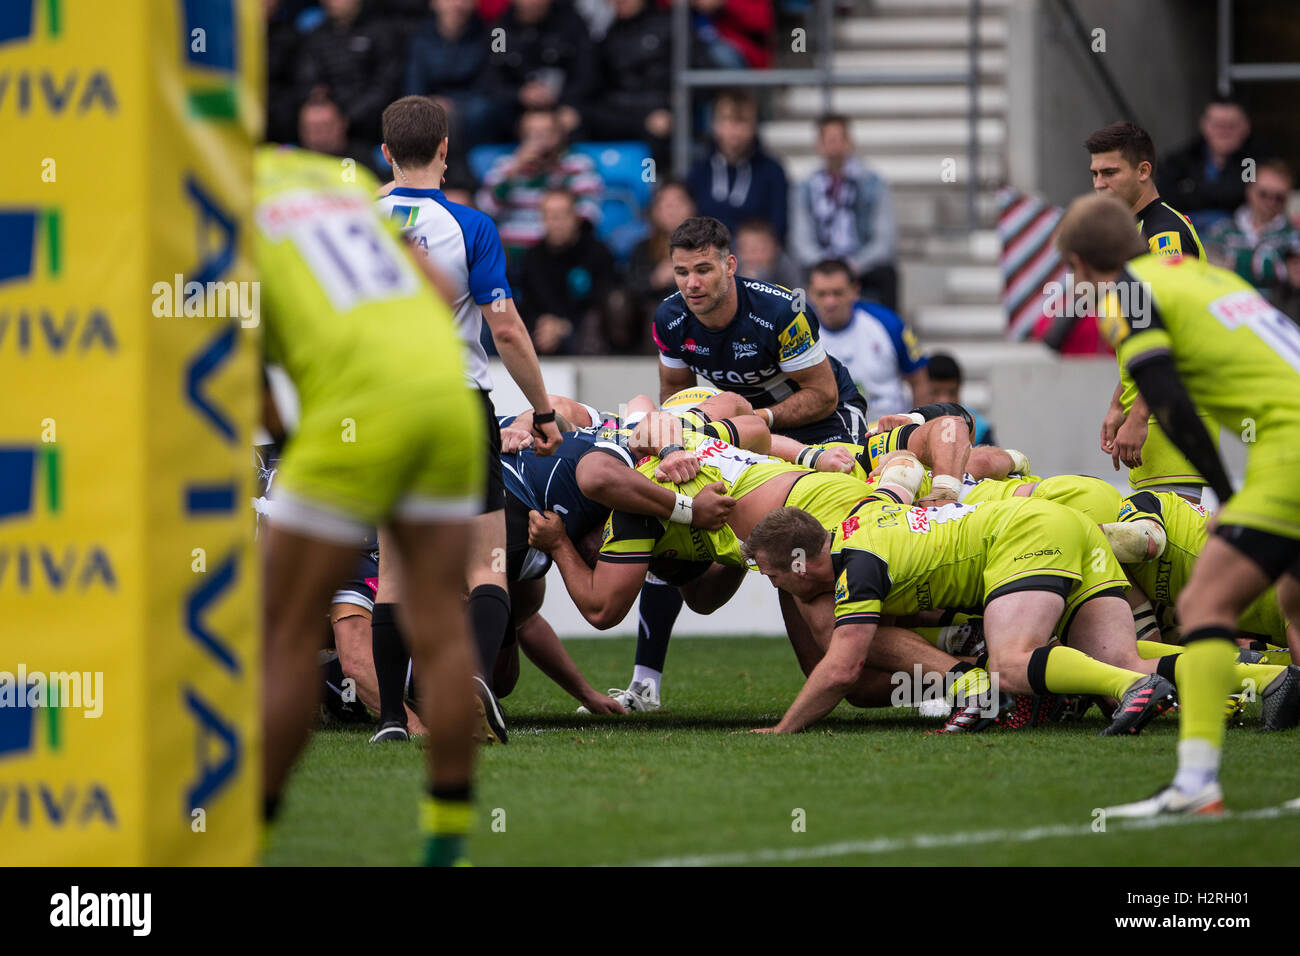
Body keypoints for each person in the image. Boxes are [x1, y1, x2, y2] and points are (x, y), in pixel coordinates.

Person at [256, 145, 482, 866]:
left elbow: (228, 358)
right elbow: (432, 279)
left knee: (287, 635)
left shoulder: (210, 203)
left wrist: (289, 435)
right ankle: (446, 843)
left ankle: (251, 832)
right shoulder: (339, 177)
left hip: (352, 408)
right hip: (445, 392)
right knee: (440, 624)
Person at [1057, 193, 1300, 816]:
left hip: (1290, 451)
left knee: (1205, 603)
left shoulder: (1126, 297)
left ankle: (1196, 785)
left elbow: (1170, 402)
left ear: (1083, 264)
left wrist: (1226, 490)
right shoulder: (1200, 271)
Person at [374, 96, 564, 744]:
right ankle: (475, 681)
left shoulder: (356, 223)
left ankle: (391, 721)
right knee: (485, 560)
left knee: (394, 569)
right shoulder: (471, 227)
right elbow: (505, 328)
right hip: (454, 399)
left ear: (383, 151)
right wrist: (542, 409)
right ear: (448, 150)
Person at [742, 491, 1175, 737]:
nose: (775, 584)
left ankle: (1131, 686)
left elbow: (842, 669)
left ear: (799, 563)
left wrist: (784, 728)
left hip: (1025, 534)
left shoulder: (858, 567)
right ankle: (1239, 676)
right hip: (1062, 523)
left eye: (773, 575)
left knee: (1012, 663)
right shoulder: (861, 525)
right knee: (1117, 654)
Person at [1085, 121, 1217, 500]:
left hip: (1168, 418)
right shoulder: (1140, 230)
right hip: (1152, 415)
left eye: (1110, 172)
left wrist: (1140, 415)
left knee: (1165, 547)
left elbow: (1174, 333)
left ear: (1144, 171)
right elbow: (1146, 338)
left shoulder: (1164, 236)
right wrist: (1118, 404)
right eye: (1094, 173)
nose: (1099, 184)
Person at [790, 115, 899, 310]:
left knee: (887, 273)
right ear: (818, 144)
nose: (834, 146)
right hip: (820, 263)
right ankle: (799, 333)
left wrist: (854, 265)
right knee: (794, 272)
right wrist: (823, 263)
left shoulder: (873, 182)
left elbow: (884, 240)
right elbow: (800, 238)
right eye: (828, 139)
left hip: (860, 264)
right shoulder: (805, 186)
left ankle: (889, 332)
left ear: (850, 142)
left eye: (839, 138)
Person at [476, 107, 605, 264]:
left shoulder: (577, 164)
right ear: (521, 136)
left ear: (559, 135)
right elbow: (486, 208)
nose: (539, 140)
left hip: (558, 252)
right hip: (511, 253)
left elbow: (588, 212)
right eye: (532, 134)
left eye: (546, 133)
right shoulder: (506, 165)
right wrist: (513, 172)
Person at [806, 258, 926, 418]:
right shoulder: (799, 333)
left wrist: (916, 424)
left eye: (837, 293)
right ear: (810, 294)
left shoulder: (889, 322)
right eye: (822, 294)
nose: (830, 302)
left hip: (889, 432)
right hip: (829, 436)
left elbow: (920, 379)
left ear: (855, 291)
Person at [517, 189, 618, 355]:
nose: (557, 222)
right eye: (550, 216)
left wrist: (566, 326)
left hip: (586, 335)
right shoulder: (532, 257)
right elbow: (527, 305)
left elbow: (603, 304)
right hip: (542, 333)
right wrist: (543, 323)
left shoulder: (598, 253)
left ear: (576, 218)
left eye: (562, 215)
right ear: (542, 220)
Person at [480, 0, 598, 137]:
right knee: (487, 114)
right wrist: (520, 94)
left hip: (562, 103)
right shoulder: (500, 32)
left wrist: (566, 101)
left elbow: (586, 74)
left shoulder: (571, 25)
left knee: (575, 120)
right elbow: (492, 77)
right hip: (515, 108)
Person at [293, 0, 403, 147]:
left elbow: (385, 85)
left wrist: (347, 116)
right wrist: (319, 101)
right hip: (330, 115)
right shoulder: (316, 36)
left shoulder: (381, 31)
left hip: (370, 124)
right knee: (315, 117)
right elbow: (308, 79)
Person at [685, 90, 789, 243]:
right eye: (727, 121)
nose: (734, 130)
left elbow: (779, 226)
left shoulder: (772, 171)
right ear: (715, 125)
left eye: (742, 122)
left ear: (755, 127)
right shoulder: (699, 169)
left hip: (757, 257)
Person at [585, 0, 676, 165]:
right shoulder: (604, 31)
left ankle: (653, 181)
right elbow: (590, 81)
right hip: (617, 110)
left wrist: (673, 107)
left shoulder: (669, 26)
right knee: (578, 119)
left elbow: (698, 72)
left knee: (657, 128)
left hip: (656, 108)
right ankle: (587, 183)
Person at [1203, 159, 1300, 312]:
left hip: (1276, 315)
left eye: (1279, 197)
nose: (1270, 202)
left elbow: (1296, 278)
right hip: (1228, 310)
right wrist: (1277, 268)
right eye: (1263, 194)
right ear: (1250, 190)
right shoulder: (1223, 230)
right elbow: (1207, 271)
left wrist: (1235, 263)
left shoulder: (1294, 234)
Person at [404, 0, 497, 147]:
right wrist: (429, 104)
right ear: (434, 3)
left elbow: (490, 86)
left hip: (470, 110)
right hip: (428, 105)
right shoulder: (417, 37)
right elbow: (413, 85)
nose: (458, 5)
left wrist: (452, 104)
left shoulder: (491, 36)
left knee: (480, 111)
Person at [1157, 99, 1257, 231]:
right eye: (1218, 125)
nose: (1224, 132)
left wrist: (1192, 190)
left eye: (1231, 125)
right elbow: (1165, 198)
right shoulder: (1181, 159)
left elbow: (1247, 198)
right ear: (1204, 125)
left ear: (1245, 127)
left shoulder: (1251, 161)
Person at [626, 181, 697, 350]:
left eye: (678, 203)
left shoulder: (706, 248)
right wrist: (655, 280)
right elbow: (629, 288)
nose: (672, 210)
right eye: (666, 204)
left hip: (694, 313)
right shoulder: (643, 248)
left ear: (692, 207)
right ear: (655, 211)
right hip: (649, 318)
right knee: (658, 313)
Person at [924, 353, 993, 445]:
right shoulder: (906, 424)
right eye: (935, 392)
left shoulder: (979, 428)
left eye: (952, 392)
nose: (944, 401)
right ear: (920, 390)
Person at [734, 219, 801, 290]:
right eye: (744, 249)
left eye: (759, 249)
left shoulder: (788, 271)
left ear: (776, 249)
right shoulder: (730, 272)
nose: (751, 257)